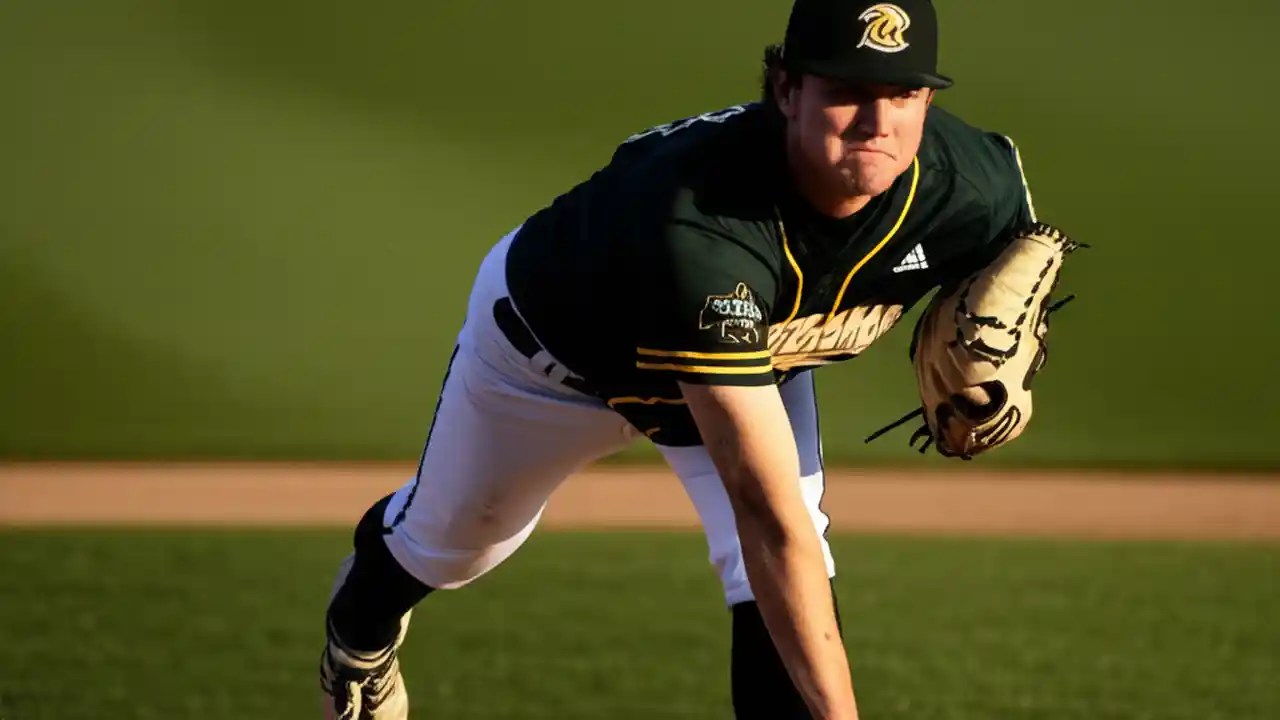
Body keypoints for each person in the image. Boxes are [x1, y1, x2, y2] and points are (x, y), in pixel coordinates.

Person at [319, 0, 1043, 718]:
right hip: (550, 360)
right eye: (847, 90)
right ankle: (357, 642)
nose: (878, 121)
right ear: (787, 89)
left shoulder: (972, 187)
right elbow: (767, 519)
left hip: (744, 364)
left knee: (780, 577)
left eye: (904, 93)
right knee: (454, 543)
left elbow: (1021, 267)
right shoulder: (703, 219)